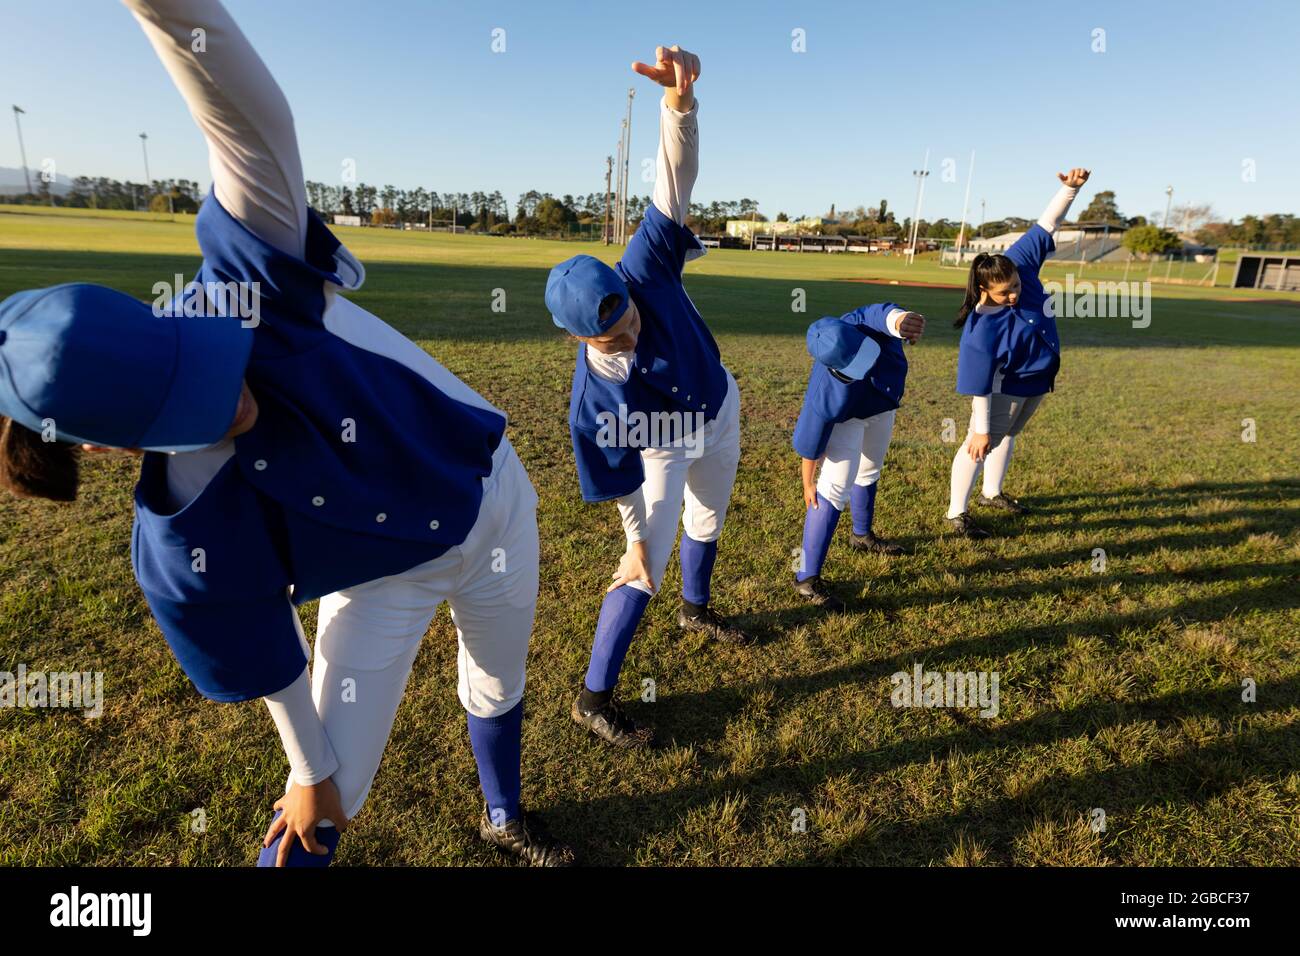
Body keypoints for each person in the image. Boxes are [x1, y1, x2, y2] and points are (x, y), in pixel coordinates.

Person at [0, 0, 572, 866]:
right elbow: (265, 653)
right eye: (177, 410)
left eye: (190, 361)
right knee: (325, 804)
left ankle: (503, 812)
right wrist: (308, 765)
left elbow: (246, 121)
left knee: (497, 684)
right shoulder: (177, 542)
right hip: (383, 582)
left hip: (498, 498)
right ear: (105, 447)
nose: (223, 399)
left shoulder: (251, 278)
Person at [544, 45, 748, 750]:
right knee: (643, 563)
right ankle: (594, 698)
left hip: (719, 408)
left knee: (710, 518)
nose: (629, 333)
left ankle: (698, 608)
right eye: (611, 338)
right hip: (657, 444)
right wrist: (634, 536)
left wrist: (679, 105)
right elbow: (617, 475)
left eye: (628, 317)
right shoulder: (594, 396)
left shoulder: (643, 266)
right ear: (580, 341)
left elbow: (672, 182)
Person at [946, 168, 1091, 537]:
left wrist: (1069, 190)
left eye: (1015, 285)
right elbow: (979, 386)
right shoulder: (980, 330)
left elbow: (1048, 223)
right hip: (1003, 388)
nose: (1014, 293)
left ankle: (991, 493)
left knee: (1008, 436)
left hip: (1037, 379)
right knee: (980, 444)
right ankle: (956, 513)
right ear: (984, 290)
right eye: (1004, 292)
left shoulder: (1017, 262)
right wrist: (979, 430)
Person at [791, 304, 925, 611]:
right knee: (833, 490)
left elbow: (880, 313)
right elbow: (809, 442)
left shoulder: (856, 323)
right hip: (848, 420)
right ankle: (806, 579)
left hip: (882, 405)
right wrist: (808, 483)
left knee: (870, 469)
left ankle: (862, 536)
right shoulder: (826, 392)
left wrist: (900, 320)